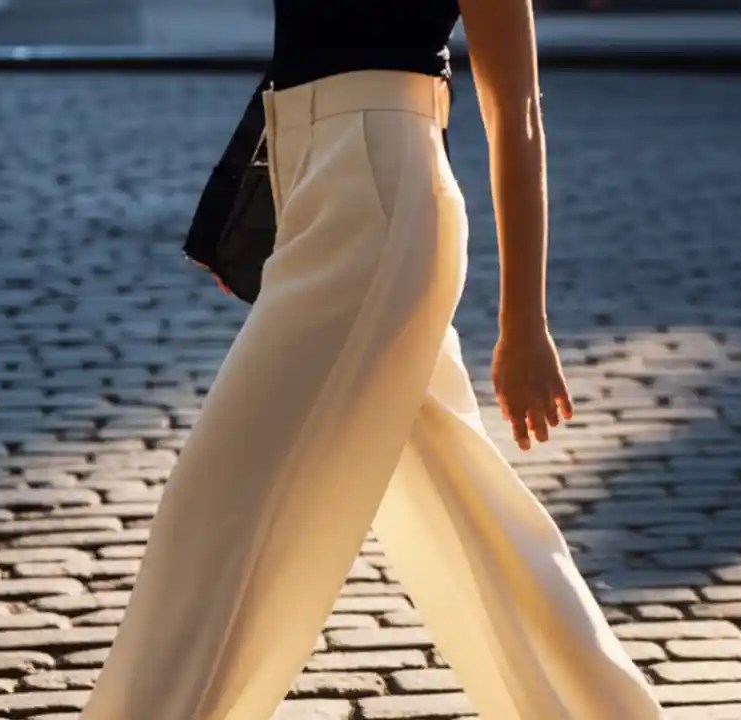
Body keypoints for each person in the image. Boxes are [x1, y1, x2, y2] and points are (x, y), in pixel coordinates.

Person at [77, 0, 666, 718]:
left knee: (218, 514)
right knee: (467, 512)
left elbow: (516, 113)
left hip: (379, 195)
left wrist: (524, 322)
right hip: (323, 180)